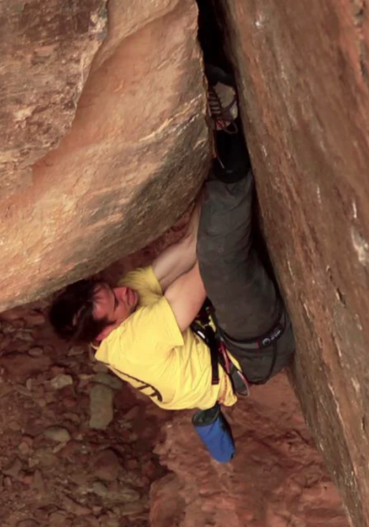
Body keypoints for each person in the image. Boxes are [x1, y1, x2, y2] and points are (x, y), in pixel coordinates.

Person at [48, 74, 294, 462]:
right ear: (108, 330)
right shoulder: (133, 344)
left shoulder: (124, 301)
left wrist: (205, 168)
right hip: (256, 353)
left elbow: (186, 248)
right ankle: (231, 132)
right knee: (217, 260)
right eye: (116, 302)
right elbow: (202, 273)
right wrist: (220, 189)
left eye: (112, 288)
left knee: (210, 241)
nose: (124, 291)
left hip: (219, 338)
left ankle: (222, 147)